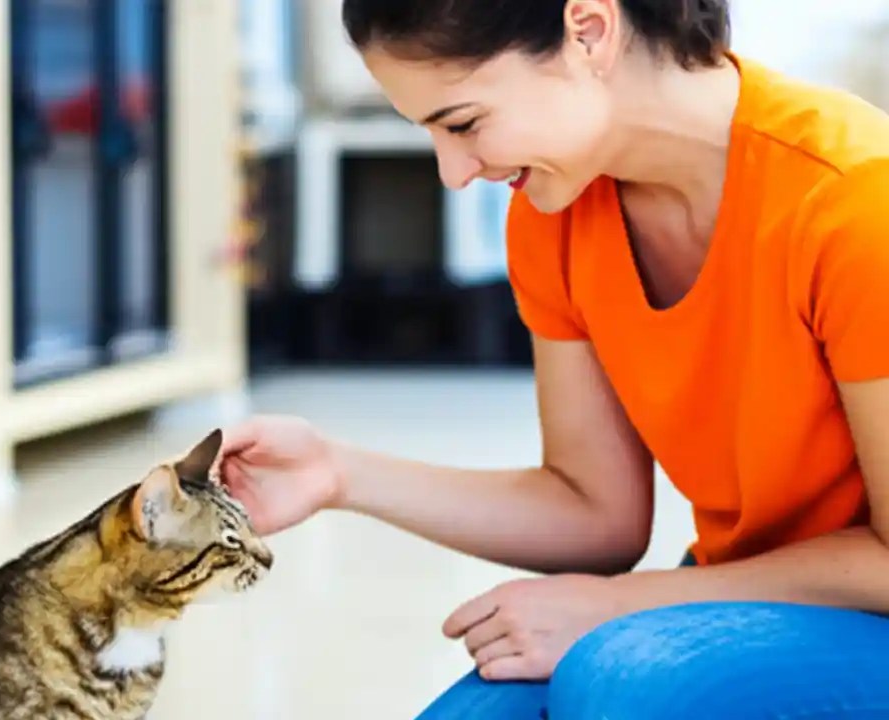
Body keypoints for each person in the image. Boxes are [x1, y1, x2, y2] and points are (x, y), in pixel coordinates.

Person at [218, 1, 889, 717]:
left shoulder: (855, 201)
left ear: (589, 30)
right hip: (748, 596)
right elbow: (596, 513)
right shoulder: (556, 213)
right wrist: (338, 472)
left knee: (622, 678)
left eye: (464, 123)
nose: (453, 172)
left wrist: (621, 604)